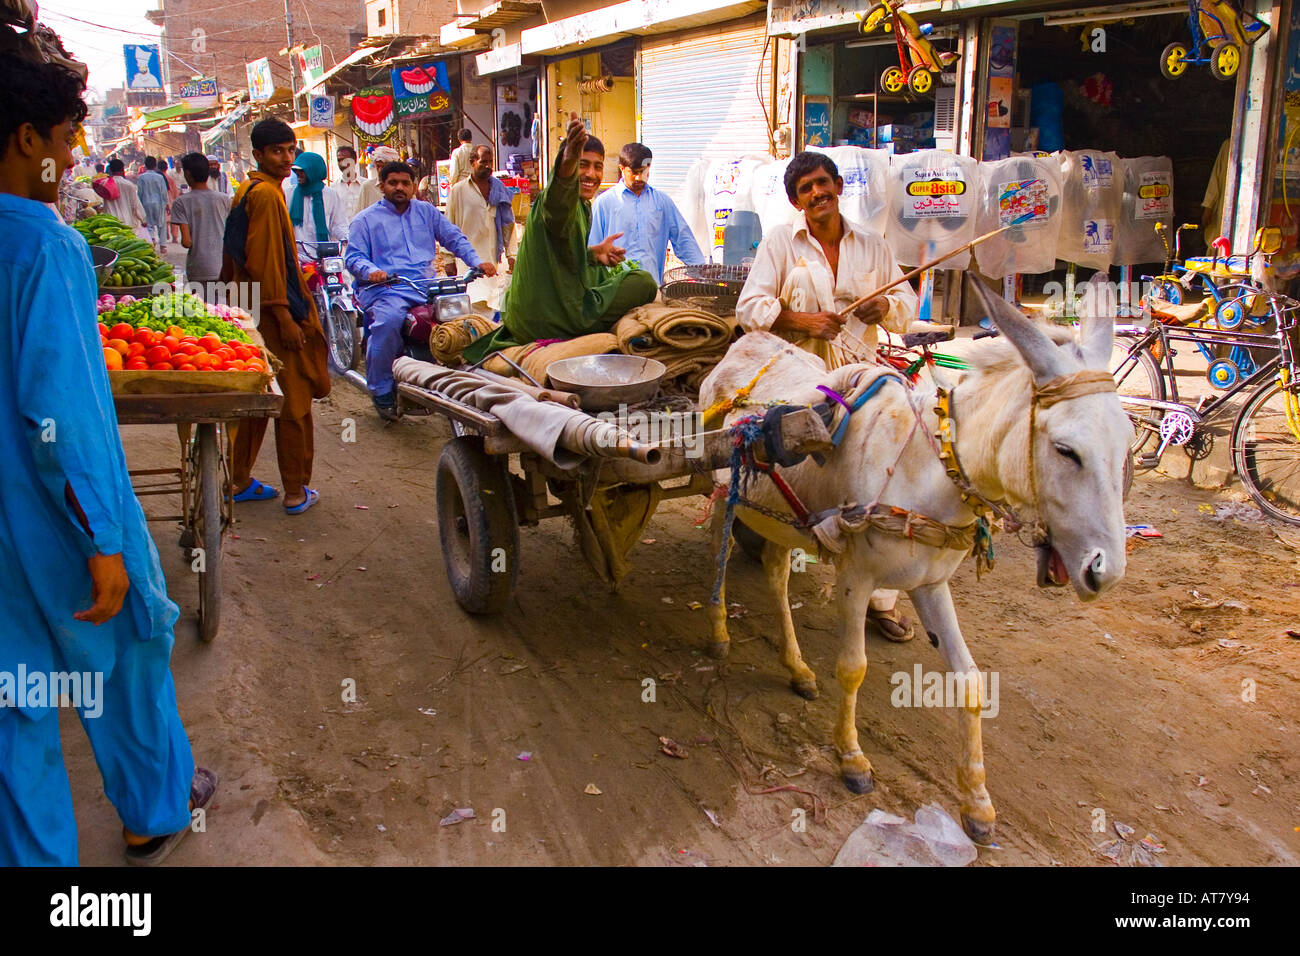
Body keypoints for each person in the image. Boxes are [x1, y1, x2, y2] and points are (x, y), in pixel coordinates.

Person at [0, 55, 216, 867]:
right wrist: (102, 538)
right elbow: (56, 414)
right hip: (52, 516)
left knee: (15, 700)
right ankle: (153, 813)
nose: (73, 154)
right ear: (27, 139)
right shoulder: (44, 247)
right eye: (64, 138)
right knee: (125, 652)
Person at [736, 150, 934, 643]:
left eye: (823, 183)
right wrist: (803, 321)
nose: (817, 193)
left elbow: (907, 307)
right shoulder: (782, 242)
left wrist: (884, 305)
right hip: (797, 379)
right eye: (806, 189)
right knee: (812, 482)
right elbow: (750, 308)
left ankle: (881, 598)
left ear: (839, 186)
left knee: (884, 478)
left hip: (862, 379)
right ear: (795, 200)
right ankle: (791, 532)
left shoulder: (871, 244)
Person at [462, 117, 658, 364]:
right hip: (547, 318)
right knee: (643, 282)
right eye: (582, 164)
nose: (591, 174)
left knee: (603, 275)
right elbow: (558, 203)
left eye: (598, 167)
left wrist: (593, 255)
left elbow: (561, 250)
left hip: (525, 313)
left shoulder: (583, 205)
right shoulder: (556, 200)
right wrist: (567, 162)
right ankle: (576, 324)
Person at [226, 117, 331, 513]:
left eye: (291, 150)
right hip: (273, 313)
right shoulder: (267, 196)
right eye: (277, 151)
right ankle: (294, 491)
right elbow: (266, 263)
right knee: (294, 401)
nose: (287, 158)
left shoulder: (248, 189)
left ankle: (238, 480)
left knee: (254, 397)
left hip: (248, 309)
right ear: (258, 154)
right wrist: (285, 317)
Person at [346, 161, 494, 419]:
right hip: (385, 289)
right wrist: (372, 271)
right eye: (393, 183)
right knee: (388, 323)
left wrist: (476, 261)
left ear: (414, 186)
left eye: (405, 183)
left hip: (426, 286)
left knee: (465, 323)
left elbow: (454, 237)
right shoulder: (365, 220)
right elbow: (354, 258)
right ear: (382, 186)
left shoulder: (427, 212)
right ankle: (381, 390)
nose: (400, 188)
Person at [589, 141, 705, 284]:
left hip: (652, 288)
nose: (639, 178)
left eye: (643, 172)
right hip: (613, 289)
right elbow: (593, 247)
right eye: (634, 172)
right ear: (622, 169)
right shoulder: (604, 203)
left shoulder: (662, 202)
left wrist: (701, 271)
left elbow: (683, 238)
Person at [446, 144, 514, 272]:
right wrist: (448, 260)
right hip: (467, 261)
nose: (488, 166)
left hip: (492, 260)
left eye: (490, 162)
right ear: (472, 162)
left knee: (494, 292)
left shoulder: (499, 189)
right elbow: (448, 227)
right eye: (483, 162)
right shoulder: (458, 191)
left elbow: (508, 224)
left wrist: (511, 254)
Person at [170, 152, 229, 291]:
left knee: (203, 310)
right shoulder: (224, 199)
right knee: (224, 310)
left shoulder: (181, 202)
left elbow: (186, 242)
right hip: (224, 265)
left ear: (188, 174)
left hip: (199, 267)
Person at [282, 151, 347, 259]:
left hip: (324, 255)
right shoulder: (287, 194)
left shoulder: (330, 194)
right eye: (296, 171)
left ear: (313, 172)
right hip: (296, 256)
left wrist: (347, 238)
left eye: (302, 171)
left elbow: (338, 224)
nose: (298, 174)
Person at [136, 155, 169, 252]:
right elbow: (164, 192)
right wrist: (167, 204)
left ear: (145, 165)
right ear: (155, 166)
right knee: (161, 224)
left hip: (146, 203)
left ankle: (152, 241)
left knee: (149, 224)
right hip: (159, 203)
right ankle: (163, 246)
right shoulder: (159, 177)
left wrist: (140, 206)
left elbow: (140, 192)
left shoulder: (142, 177)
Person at [101, 156, 145, 228]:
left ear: (111, 169)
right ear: (122, 169)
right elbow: (135, 205)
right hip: (127, 222)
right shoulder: (129, 185)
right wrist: (143, 219)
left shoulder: (105, 185)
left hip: (111, 223)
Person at [1201, 138, 1231, 245]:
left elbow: (1215, 179)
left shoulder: (1229, 145)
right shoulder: (1228, 145)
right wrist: (1208, 208)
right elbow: (1216, 179)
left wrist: (1208, 209)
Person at [357, 145, 400, 211]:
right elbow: (358, 215)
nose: (380, 170)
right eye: (378, 166)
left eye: (383, 167)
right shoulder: (367, 186)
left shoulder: (402, 187)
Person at [332, 144, 363, 219]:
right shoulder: (333, 188)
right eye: (339, 160)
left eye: (345, 160)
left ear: (355, 160)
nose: (342, 164)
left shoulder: (365, 185)